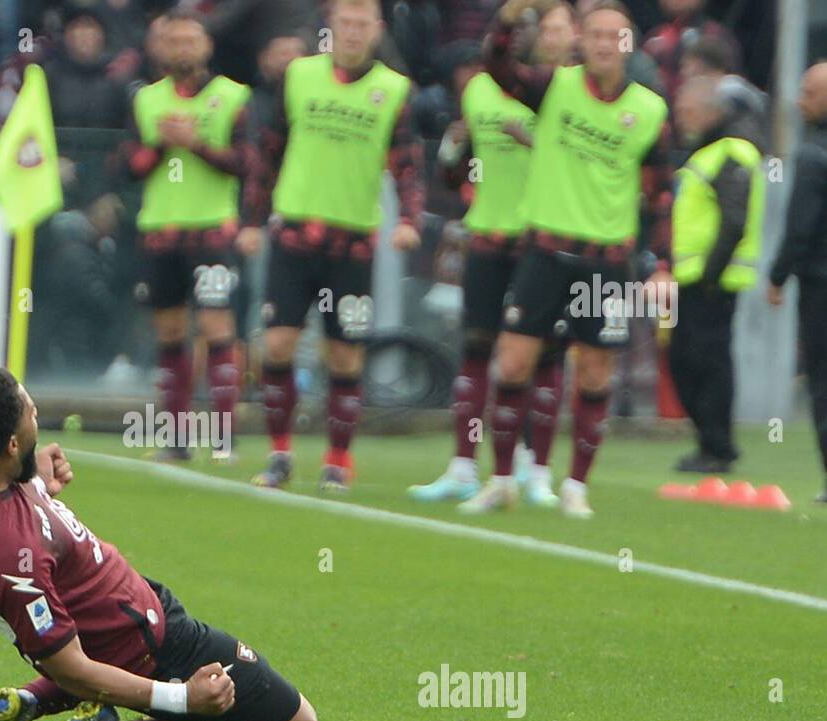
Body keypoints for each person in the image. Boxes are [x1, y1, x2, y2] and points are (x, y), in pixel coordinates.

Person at [0, 363, 319, 721]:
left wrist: (34, 481)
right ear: (10, 445)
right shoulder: (16, 557)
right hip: (146, 645)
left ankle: (30, 698)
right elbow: (71, 667)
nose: (35, 413)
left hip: (115, 616)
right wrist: (182, 697)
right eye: (29, 410)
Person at [460, 0, 673, 518]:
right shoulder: (554, 87)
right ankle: (503, 479)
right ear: (581, 40)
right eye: (595, 34)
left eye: (614, 36)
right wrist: (509, 20)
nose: (604, 44)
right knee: (512, 363)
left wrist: (662, 263)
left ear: (629, 46)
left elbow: (660, 192)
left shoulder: (649, 111)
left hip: (605, 258)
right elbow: (499, 69)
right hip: (545, 251)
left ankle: (576, 485)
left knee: (596, 373)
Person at [244, 0, 425, 493]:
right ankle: (279, 453)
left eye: (362, 24)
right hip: (295, 233)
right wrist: (252, 219)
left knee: (345, 355)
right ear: (331, 27)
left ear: (376, 30)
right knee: (277, 344)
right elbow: (268, 148)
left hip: (354, 244)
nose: (352, 31)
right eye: (345, 22)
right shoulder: (299, 75)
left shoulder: (393, 89)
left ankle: (338, 459)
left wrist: (408, 219)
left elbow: (407, 161)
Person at [410, 1, 578, 507]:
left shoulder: (576, 93)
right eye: (537, 26)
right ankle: (463, 465)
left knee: (540, 354)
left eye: (554, 27)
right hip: (488, 233)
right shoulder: (486, 85)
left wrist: (530, 140)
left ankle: (536, 469)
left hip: (543, 238)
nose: (544, 36)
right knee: (478, 351)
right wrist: (451, 151)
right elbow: (458, 168)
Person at [121, 12, 254, 461]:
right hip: (161, 230)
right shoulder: (145, 100)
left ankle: (223, 437)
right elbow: (128, 166)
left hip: (212, 229)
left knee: (217, 327)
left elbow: (245, 163)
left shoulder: (232, 97)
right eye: (174, 41)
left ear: (206, 47)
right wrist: (162, 145)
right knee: (171, 333)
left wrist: (195, 144)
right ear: (161, 49)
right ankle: (175, 438)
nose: (182, 49)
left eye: (190, 41)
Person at [669, 75, 764, 473]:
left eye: (687, 112)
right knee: (688, 360)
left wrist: (710, 275)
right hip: (696, 278)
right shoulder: (711, 151)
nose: (682, 120)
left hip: (712, 280)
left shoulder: (731, 151)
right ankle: (711, 443)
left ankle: (718, 446)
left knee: (706, 362)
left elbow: (734, 219)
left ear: (707, 112)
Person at [768, 62, 827, 505]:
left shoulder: (812, 154)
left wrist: (777, 275)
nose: (797, 100)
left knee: (823, 381)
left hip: (821, 283)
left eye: (807, 92)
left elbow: (801, 225)